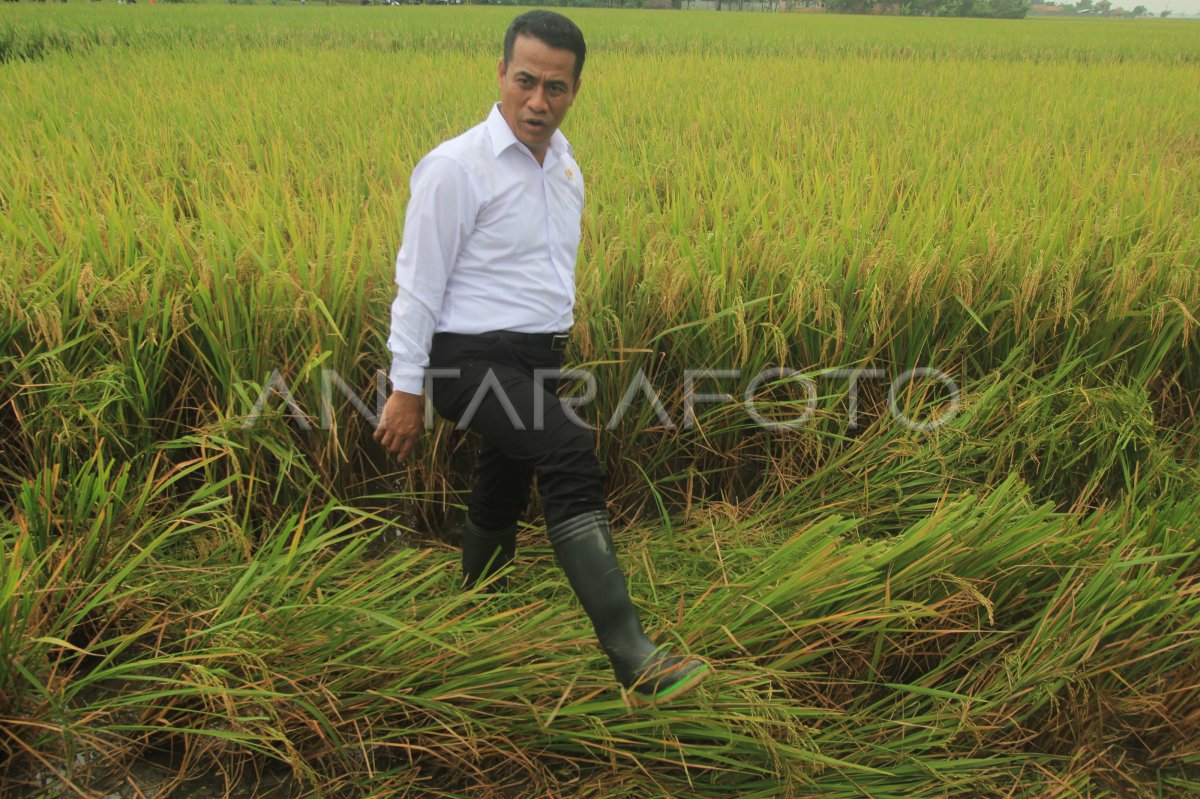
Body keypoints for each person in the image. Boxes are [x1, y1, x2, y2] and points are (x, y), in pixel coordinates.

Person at [374, 10, 710, 705]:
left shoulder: (564, 166)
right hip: (466, 362)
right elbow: (417, 285)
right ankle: (633, 655)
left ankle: (474, 615)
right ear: (500, 74)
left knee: (503, 482)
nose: (538, 100)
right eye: (525, 81)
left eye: (555, 87)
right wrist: (407, 389)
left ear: (575, 89)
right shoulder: (455, 168)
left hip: (536, 356)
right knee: (566, 448)